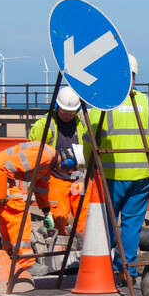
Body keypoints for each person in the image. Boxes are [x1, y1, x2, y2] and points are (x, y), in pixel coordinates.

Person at [92, 56, 149, 280]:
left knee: (106, 223)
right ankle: (127, 268)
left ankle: (101, 265)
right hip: (142, 176)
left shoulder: (103, 104)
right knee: (132, 225)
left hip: (111, 174)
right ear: (134, 76)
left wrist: (88, 168)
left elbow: (88, 137)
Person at [0, 140, 74, 278]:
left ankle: (9, 254)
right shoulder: (45, 155)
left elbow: (40, 188)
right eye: (69, 169)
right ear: (67, 162)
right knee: (18, 211)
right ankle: (25, 261)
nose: (67, 173)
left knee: (8, 215)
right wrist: (4, 187)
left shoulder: (48, 164)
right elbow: (9, 166)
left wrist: (46, 210)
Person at [28, 85, 89, 237]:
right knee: (59, 216)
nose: (67, 116)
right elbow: (34, 151)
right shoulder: (44, 124)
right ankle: (60, 246)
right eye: (64, 112)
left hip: (79, 176)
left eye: (71, 113)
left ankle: (85, 247)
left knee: (85, 216)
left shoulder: (82, 121)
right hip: (56, 178)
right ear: (57, 107)